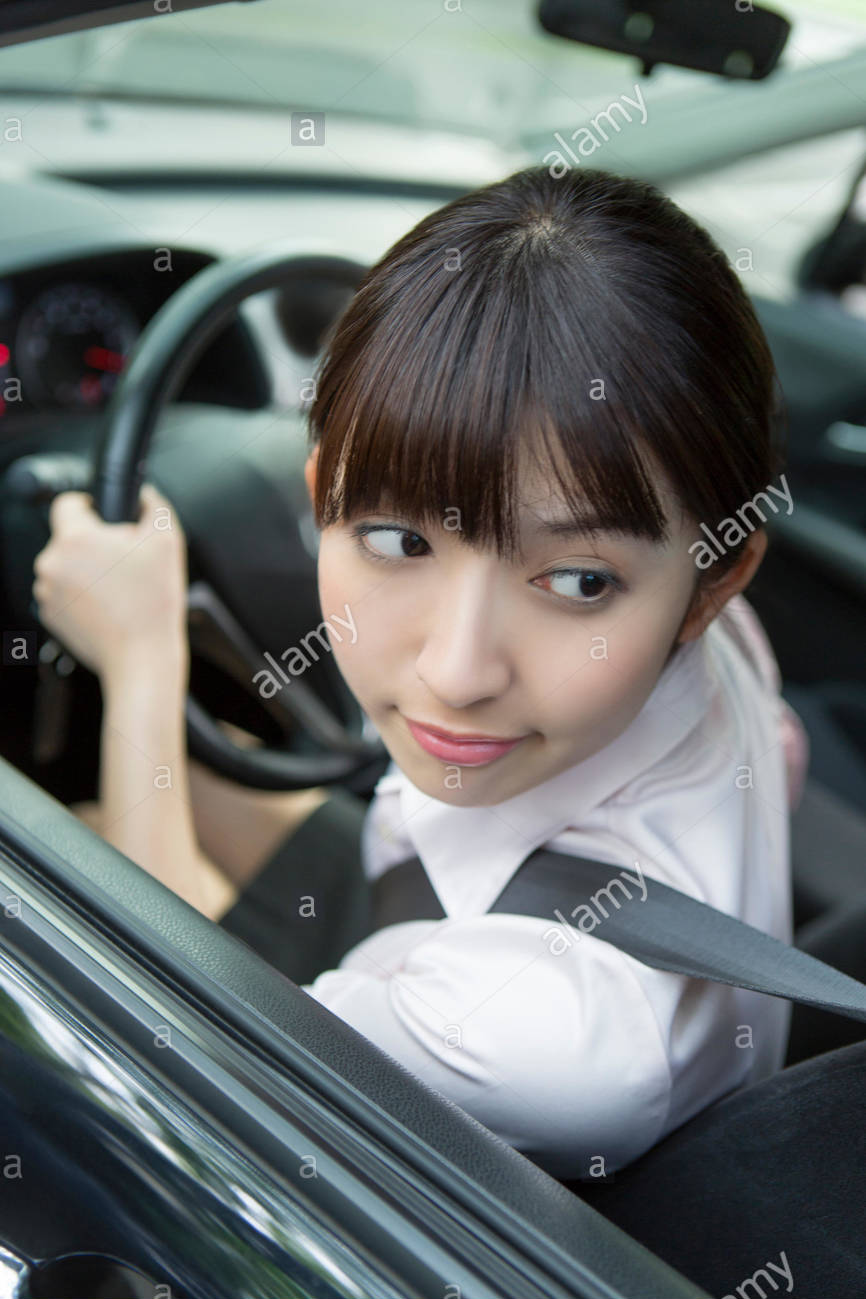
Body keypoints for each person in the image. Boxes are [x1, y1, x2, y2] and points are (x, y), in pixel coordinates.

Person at [32, 164, 808, 1185]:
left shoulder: (548, 1037)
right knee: (96, 804)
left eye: (575, 580)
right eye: (396, 540)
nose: (455, 670)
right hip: (439, 901)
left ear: (714, 578)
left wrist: (141, 658)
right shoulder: (717, 648)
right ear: (321, 500)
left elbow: (179, 1047)